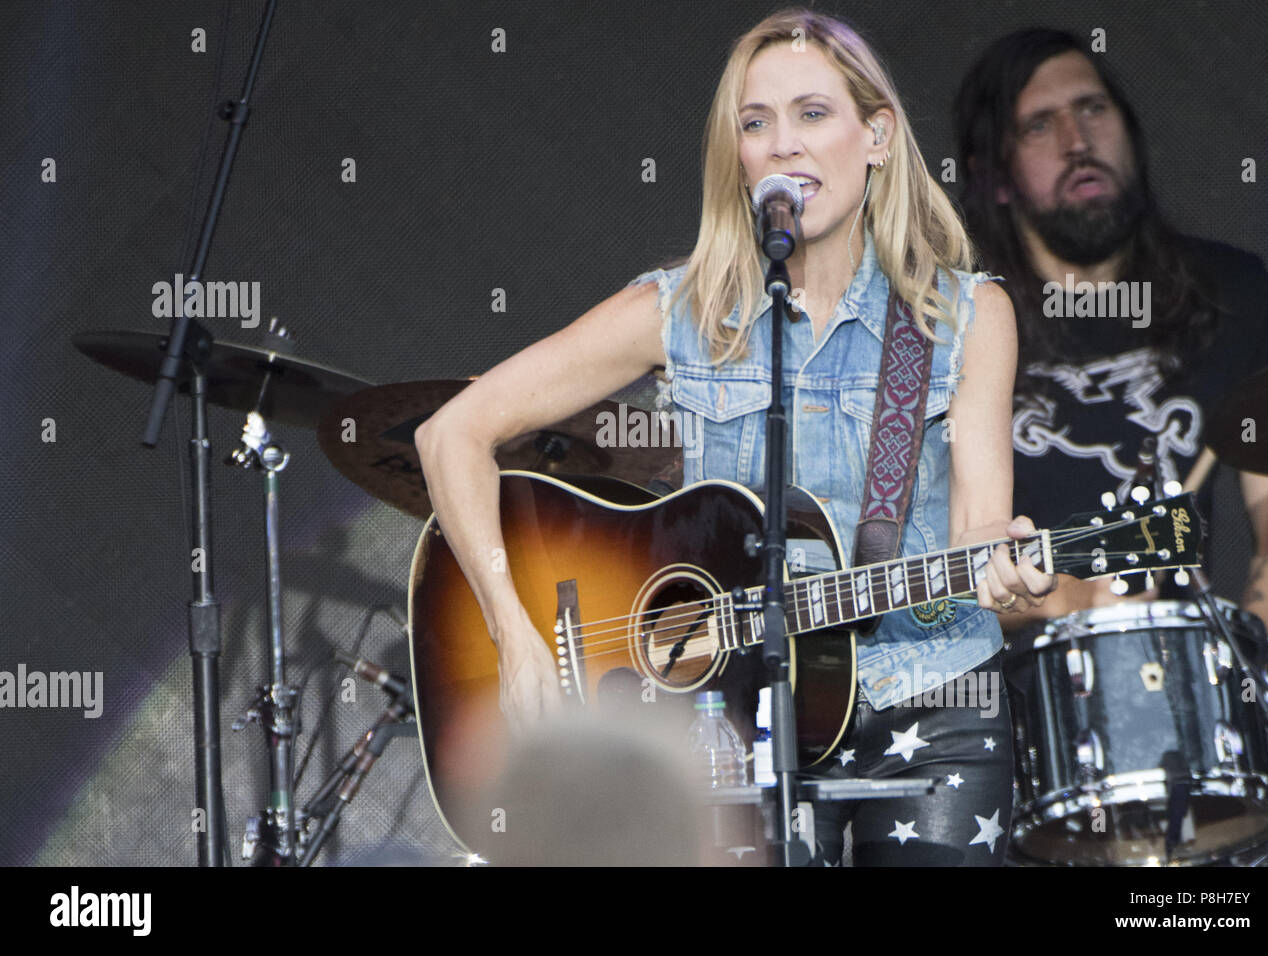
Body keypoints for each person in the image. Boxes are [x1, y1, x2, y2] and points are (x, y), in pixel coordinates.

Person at [414, 7, 1054, 866]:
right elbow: (451, 435)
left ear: (877, 136)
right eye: (757, 124)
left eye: (813, 114)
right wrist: (514, 636)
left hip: (931, 708)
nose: (783, 145)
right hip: (737, 722)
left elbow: (978, 533)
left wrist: (1008, 578)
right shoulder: (680, 311)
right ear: (739, 156)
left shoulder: (967, 316)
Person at [953, 29, 1268, 655]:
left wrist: (1234, 679)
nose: (1077, 142)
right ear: (993, 175)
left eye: (1092, 108)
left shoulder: (1230, 290)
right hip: (1018, 714)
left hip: (1189, 695)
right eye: (1039, 125)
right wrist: (1079, 601)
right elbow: (952, 572)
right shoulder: (964, 322)